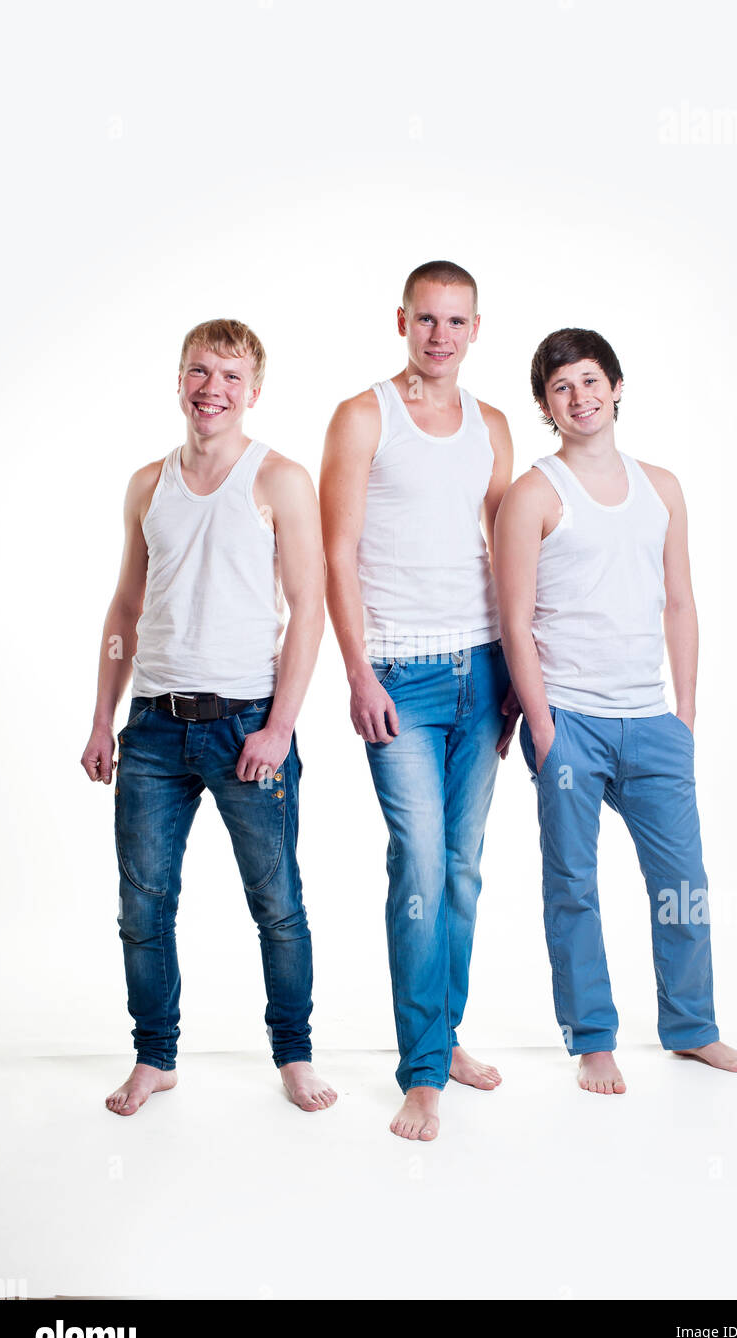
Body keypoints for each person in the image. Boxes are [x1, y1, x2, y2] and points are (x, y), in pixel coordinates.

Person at [81, 318, 336, 1116]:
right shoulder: (146, 483)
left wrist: (279, 727)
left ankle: (294, 1056)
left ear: (253, 391)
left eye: (230, 377)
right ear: (179, 380)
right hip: (153, 727)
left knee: (277, 902)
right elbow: (126, 603)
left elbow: (308, 607)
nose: (212, 390)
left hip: (246, 726)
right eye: (199, 372)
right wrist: (101, 718)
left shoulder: (280, 479)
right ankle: (155, 1057)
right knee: (143, 905)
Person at [494, 327, 737, 1094]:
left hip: (653, 724)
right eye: (562, 387)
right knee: (573, 885)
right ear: (546, 403)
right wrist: (542, 730)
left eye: (590, 381)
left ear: (614, 386)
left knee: (683, 884)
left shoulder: (661, 486)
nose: (579, 398)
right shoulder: (534, 494)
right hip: (568, 718)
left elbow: (679, 600)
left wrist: (688, 714)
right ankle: (592, 1037)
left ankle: (692, 1028)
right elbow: (515, 623)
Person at [320, 261, 517, 1141]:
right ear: (402, 320)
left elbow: (512, 559)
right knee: (421, 865)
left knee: (465, 871)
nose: (440, 336)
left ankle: (445, 1036)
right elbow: (337, 553)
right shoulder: (364, 416)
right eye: (426, 319)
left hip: (482, 671)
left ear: (477, 328)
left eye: (457, 321)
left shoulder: (494, 426)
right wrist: (359, 673)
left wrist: (516, 674)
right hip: (398, 673)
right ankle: (423, 1071)